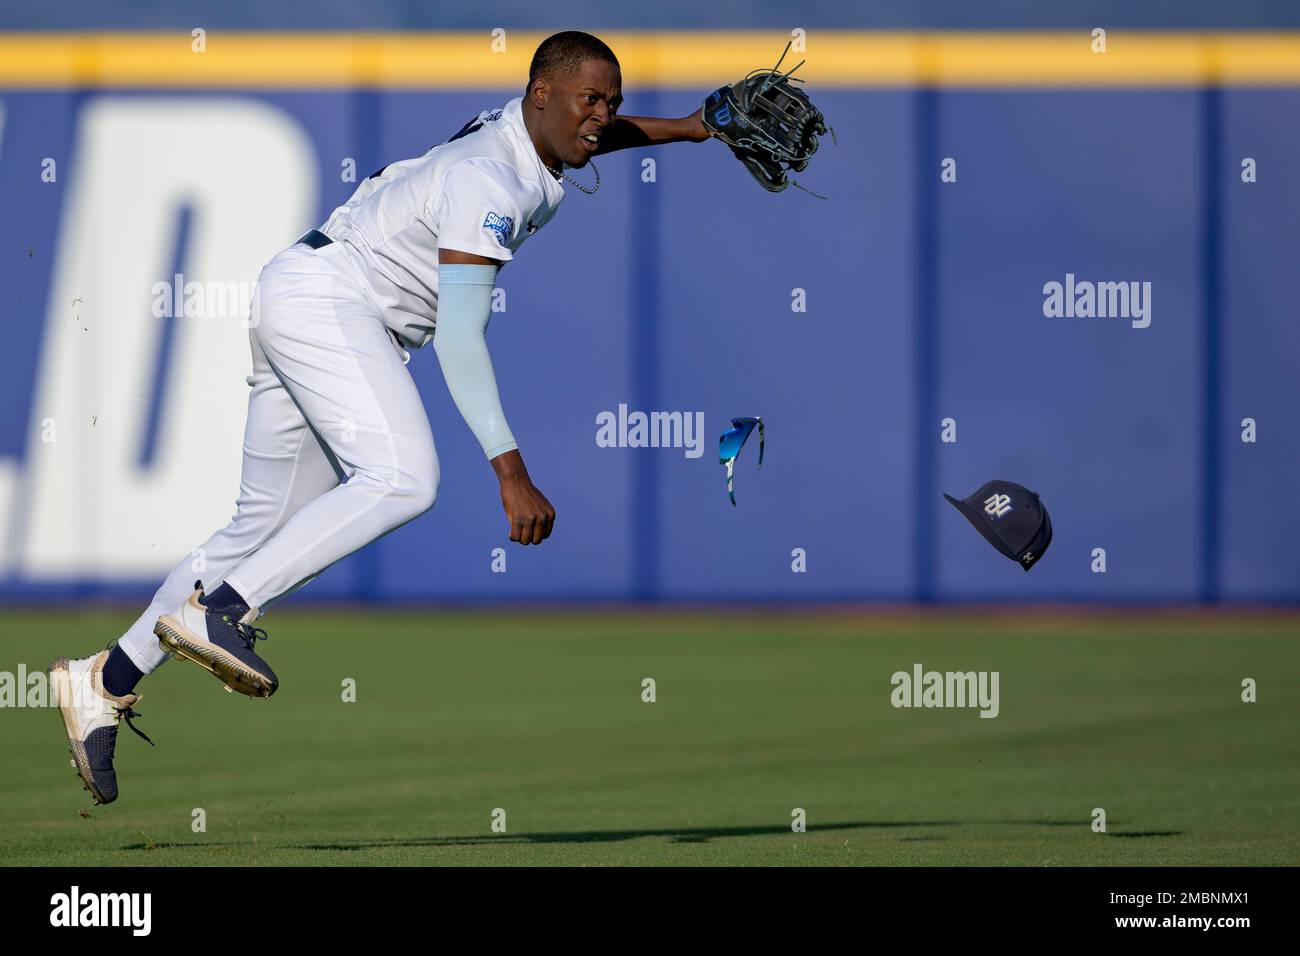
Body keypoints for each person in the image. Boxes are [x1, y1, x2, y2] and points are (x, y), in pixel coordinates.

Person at [49, 30, 713, 805]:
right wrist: (511, 470)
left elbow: (592, 136)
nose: (601, 117)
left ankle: (105, 679)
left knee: (255, 529)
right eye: (588, 100)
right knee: (404, 478)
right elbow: (461, 336)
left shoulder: (527, 136)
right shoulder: (489, 182)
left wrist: (693, 127)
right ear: (541, 96)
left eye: (612, 101)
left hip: (302, 290)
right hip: (332, 305)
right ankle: (223, 609)